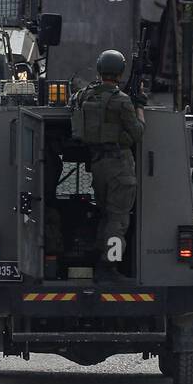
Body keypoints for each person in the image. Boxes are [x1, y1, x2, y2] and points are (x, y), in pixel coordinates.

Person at [71, 50, 145, 281]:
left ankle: (98, 253)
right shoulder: (122, 101)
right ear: (120, 72)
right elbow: (137, 133)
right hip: (118, 166)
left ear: (99, 69)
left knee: (106, 213)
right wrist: (140, 106)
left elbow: (74, 104)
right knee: (118, 217)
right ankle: (109, 266)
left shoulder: (84, 96)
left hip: (98, 165)